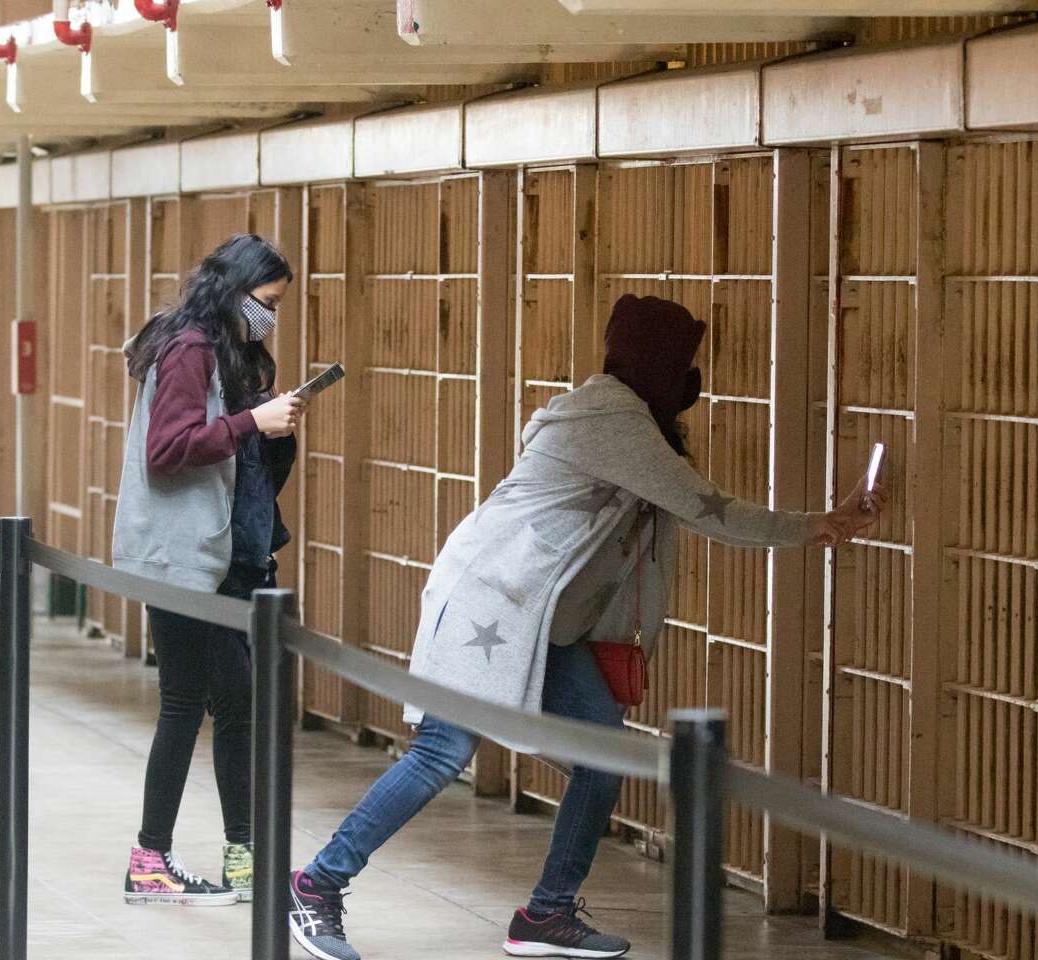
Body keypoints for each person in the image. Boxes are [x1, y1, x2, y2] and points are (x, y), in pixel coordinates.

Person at [286, 295, 888, 960]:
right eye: (685, 364)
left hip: (545, 621)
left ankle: (545, 915)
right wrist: (816, 525)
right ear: (659, 365)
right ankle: (317, 884)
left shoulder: (632, 420)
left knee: (601, 757)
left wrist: (825, 521)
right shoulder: (611, 419)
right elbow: (705, 508)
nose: (692, 379)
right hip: (490, 602)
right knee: (442, 752)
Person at [113, 234, 306, 907]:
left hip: (223, 551)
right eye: (267, 302)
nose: (271, 316)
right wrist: (254, 420)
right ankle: (167, 857)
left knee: (226, 699)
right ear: (236, 291)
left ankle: (222, 853)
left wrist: (268, 422)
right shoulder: (190, 347)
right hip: (184, 555)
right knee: (199, 701)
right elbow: (170, 449)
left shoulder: (220, 348)